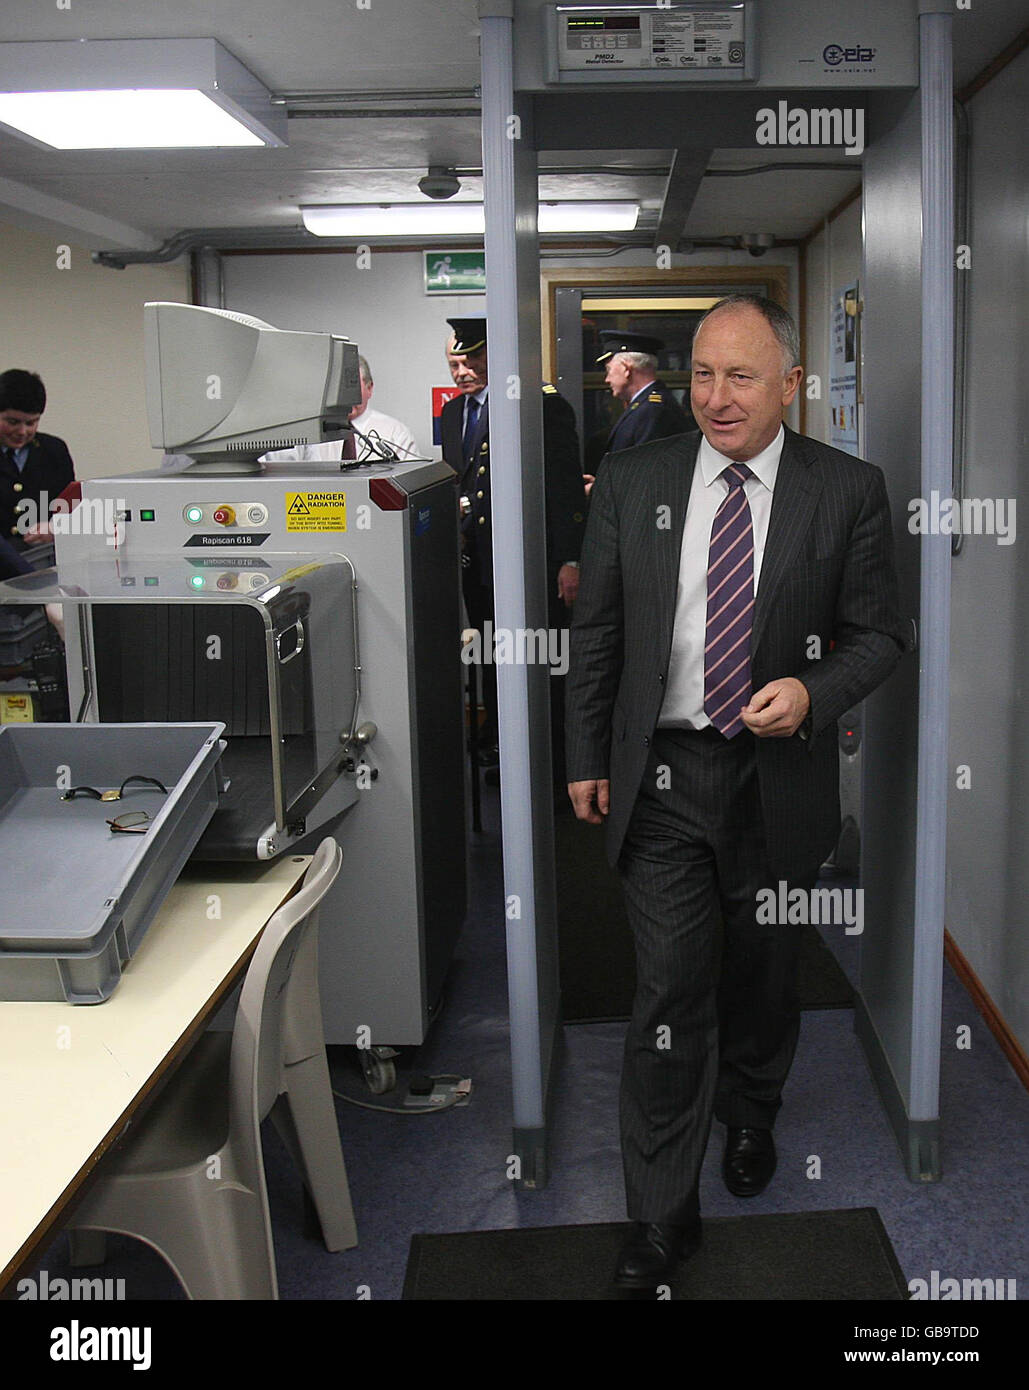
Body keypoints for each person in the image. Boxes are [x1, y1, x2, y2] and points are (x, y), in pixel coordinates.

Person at [565, 295, 905, 1290]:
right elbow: (599, 638)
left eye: (742, 377)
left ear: (791, 385)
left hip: (778, 780)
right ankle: (662, 1215)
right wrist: (587, 752)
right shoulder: (636, 479)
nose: (717, 397)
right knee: (670, 988)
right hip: (664, 778)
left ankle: (753, 1112)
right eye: (704, 374)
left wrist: (813, 690)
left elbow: (883, 634)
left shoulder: (847, 490)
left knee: (762, 978)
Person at [440, 317, 585, 778]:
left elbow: (563, 488)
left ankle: (552, 766)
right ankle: (500, 746)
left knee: (539, 661)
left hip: (529, 563)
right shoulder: (453, 413)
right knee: (490, 656)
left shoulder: (540, 406)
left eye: (473, 359)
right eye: (456, 362)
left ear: (496, 357)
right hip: (479, 561)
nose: (463, 370)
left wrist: (570, 559)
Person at [266, 355, 419, 463]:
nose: (345, 399)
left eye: (352, 389)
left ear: (369, 388)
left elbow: (410, 482)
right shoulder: (310, 431)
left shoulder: (395, 433)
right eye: (338, 390)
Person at [0, 370, 75, 547]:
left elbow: (71, 509)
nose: (22, 431)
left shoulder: (54, 451)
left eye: (31, 423)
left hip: (43, 558)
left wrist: (55, 528)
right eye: (12, 422)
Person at [597, 330, 694, 455]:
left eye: (609, 370)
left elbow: (646, 468)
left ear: (626, 368)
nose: (607, 379)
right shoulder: (646, 406)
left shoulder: (652, 410)